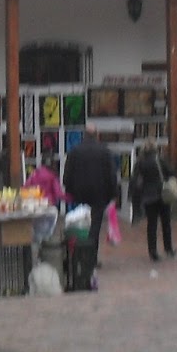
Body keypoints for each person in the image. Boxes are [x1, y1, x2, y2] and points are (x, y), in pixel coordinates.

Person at [62, 125, 118, 292]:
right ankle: (91, 258)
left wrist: (71, 190)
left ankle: (79, 255)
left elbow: (67, 176)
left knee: (80, 225)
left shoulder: (74, 152)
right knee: (94, 227)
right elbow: (111, 176)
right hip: (99, 195)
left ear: (84, 135)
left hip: (79, 195)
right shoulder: (104, 151)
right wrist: (112, 194)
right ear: (97, 135)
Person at [129, 141, 176, 261]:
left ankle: (153, 251)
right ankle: (168, 248)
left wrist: (134, 195)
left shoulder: (140, 162)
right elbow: (171, 172)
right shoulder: (160, 159)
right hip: (162, 194)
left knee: (152, 225)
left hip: (148, 195)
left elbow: (135, 179)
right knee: (166, 222)